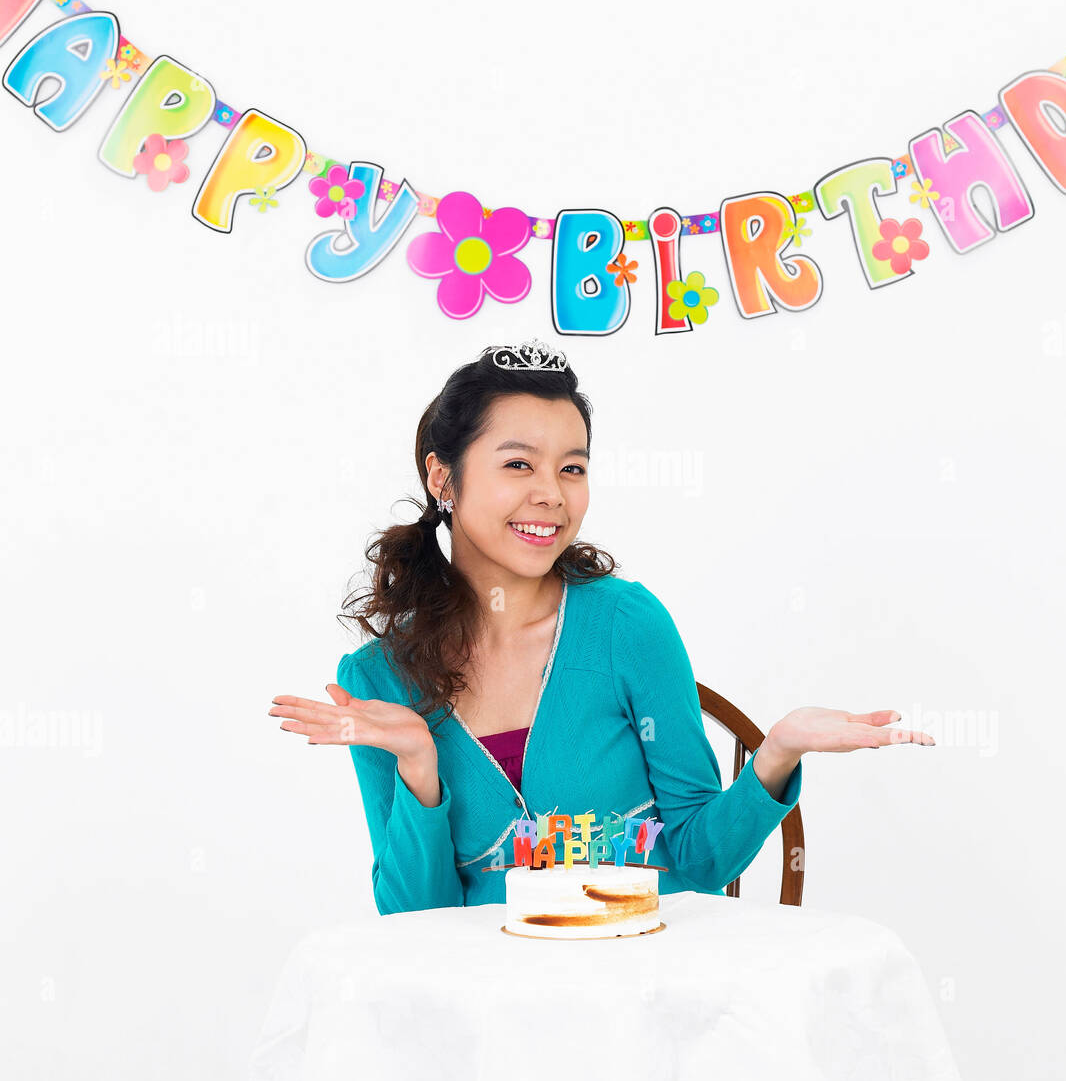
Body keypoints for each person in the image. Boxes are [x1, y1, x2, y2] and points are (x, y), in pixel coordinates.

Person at [270, 339, 934, 914]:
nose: (552, 495)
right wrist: (419, 765)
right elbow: (418, 922)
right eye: (519, 464)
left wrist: (779, 751)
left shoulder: (626, 626)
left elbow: (702, 860)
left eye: (573, 468)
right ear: (443, 478)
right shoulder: (377, 679)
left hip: (645, 991)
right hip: (496, 1014)